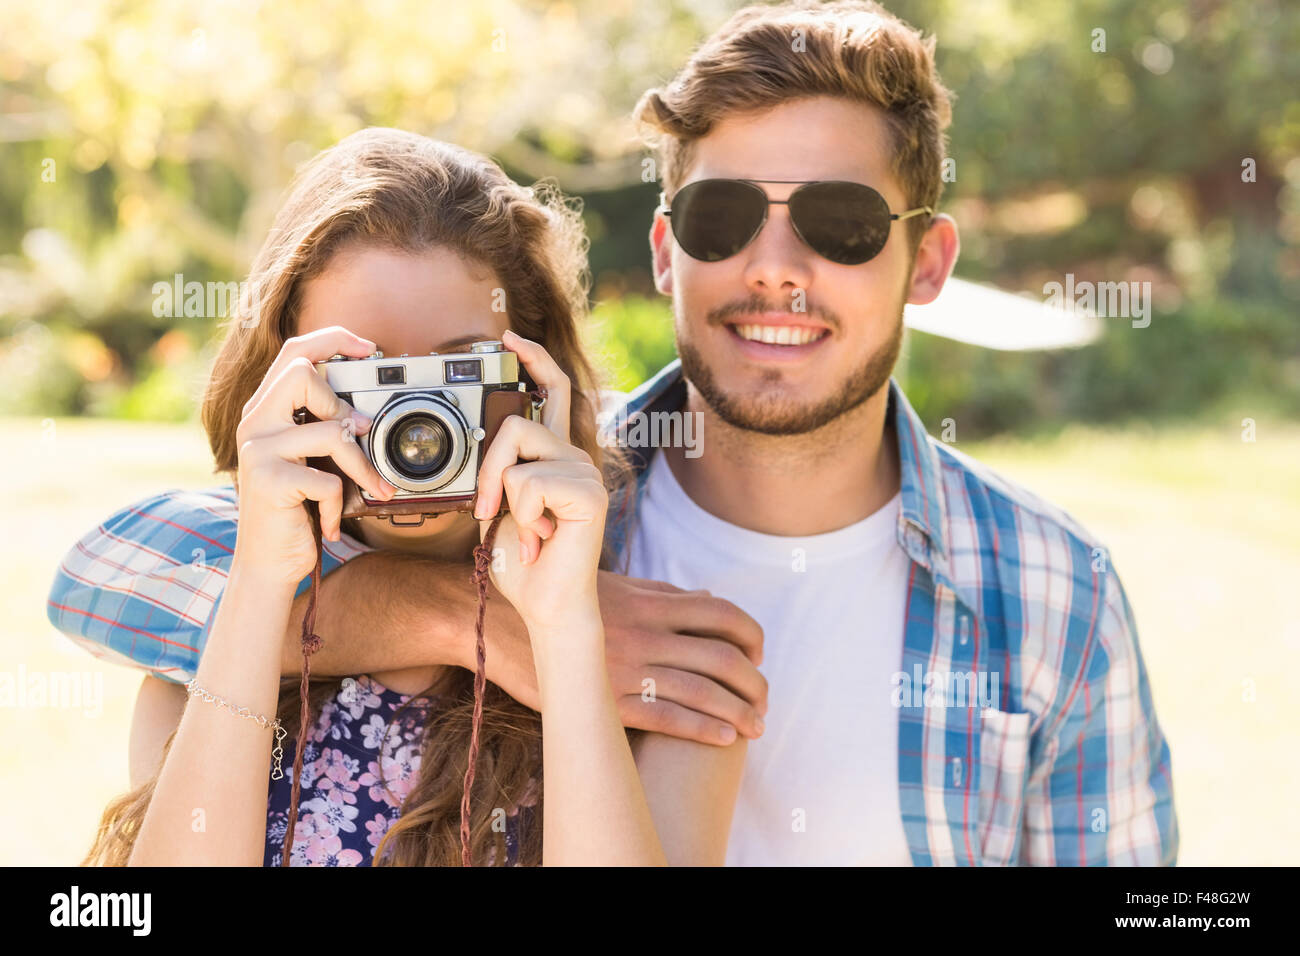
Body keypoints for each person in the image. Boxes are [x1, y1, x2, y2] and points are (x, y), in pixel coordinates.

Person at [52, 0, 1177, 866]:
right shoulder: (553, 512)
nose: (775, 267)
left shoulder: (1047, 591)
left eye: (839, 224)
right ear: (662, 249)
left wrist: (556, 638)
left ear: (926, 261)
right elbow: (103, 570)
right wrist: (471, 617)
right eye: (722, 217)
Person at [75, 127, 748, 866]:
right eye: (365, 373)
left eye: (457, 371)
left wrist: (562, 631)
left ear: (532, 380)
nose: (414, 424)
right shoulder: (222, 660)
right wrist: (264, 583)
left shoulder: (655, 682)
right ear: (285, 383)